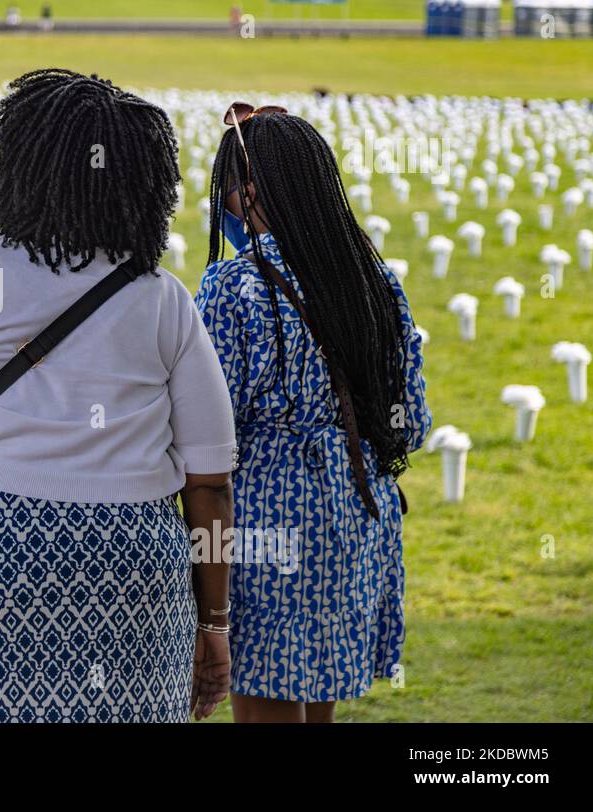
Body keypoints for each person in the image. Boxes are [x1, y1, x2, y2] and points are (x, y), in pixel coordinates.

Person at [0, 69, 238, 723]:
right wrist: (214, 621)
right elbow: (208, 484)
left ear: (12, 166)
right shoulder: (163, 302)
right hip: (134, 573)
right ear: (147, 185)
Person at [194, 104, 431, 723]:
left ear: (247, 195)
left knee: (266, 698)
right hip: (357, 510)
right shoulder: (374, 279)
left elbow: (207, 430)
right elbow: (414, 423)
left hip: (267, 521)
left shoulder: (233, 288)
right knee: (315, 690)